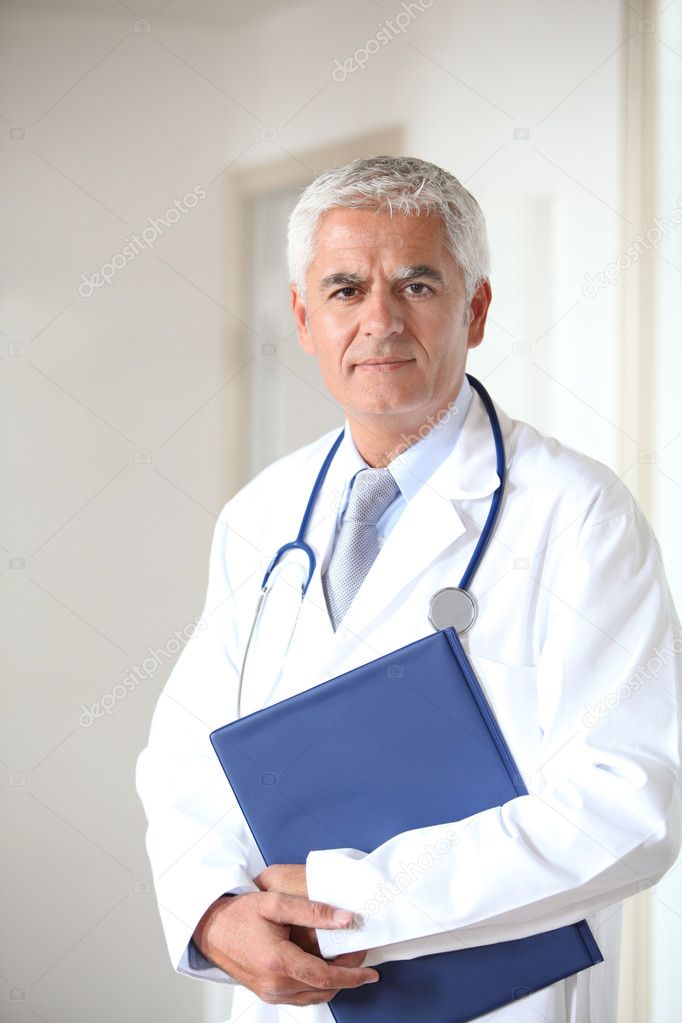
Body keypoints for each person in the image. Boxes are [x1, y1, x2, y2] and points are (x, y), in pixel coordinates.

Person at [136, 155, 682, 1023]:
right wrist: (212, 910)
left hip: (492, 1002)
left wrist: (352, 898)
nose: (380, 321)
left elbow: (626, 807)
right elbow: (184, 759)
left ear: (476, 308)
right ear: (304, 317)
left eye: (418, 284)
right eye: (346, 289)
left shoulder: (579, 515)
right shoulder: (261, 514)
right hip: (283, 1001)